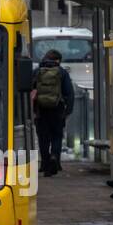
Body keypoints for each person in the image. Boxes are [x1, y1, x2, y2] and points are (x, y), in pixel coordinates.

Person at [32, 48, 74, 177]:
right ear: (58, 60)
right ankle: (55, 157)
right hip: (57, 109)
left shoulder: (37, 71)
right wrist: (68, 110)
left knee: (43, 138)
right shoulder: (62, 72)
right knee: (56, 135)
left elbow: (30, 89)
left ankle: (45, 164)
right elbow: (69, 92)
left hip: (40, 110)